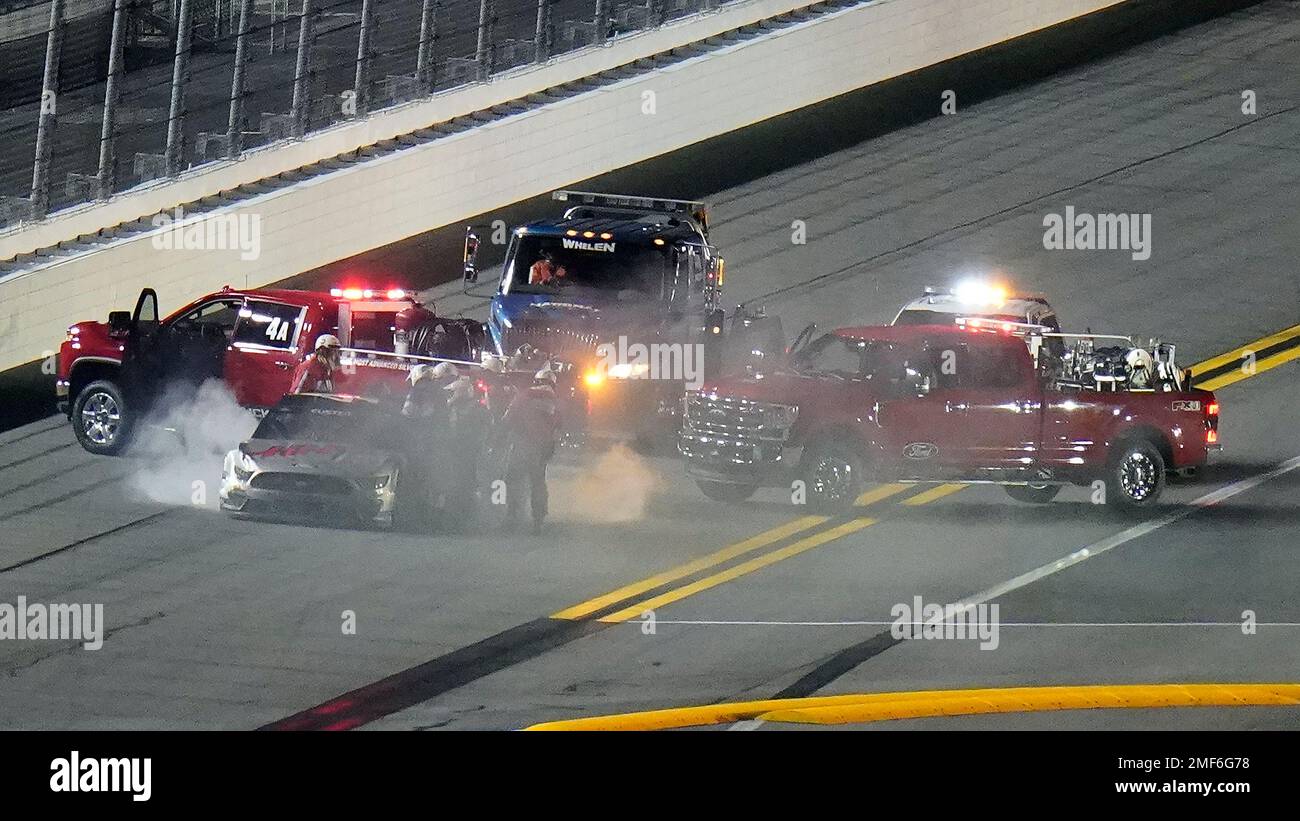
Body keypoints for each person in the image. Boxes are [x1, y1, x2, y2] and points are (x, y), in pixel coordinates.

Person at [500, 364, 560, 534]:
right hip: (542, 448)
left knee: (510, 479)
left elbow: (509, 416)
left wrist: (499, 435)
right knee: (538, 483)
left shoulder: (525, 395)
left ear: (537, 380)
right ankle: (538, 521)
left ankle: (510, 515)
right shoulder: (556, 402)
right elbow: (558, 429)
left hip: (521, 443)